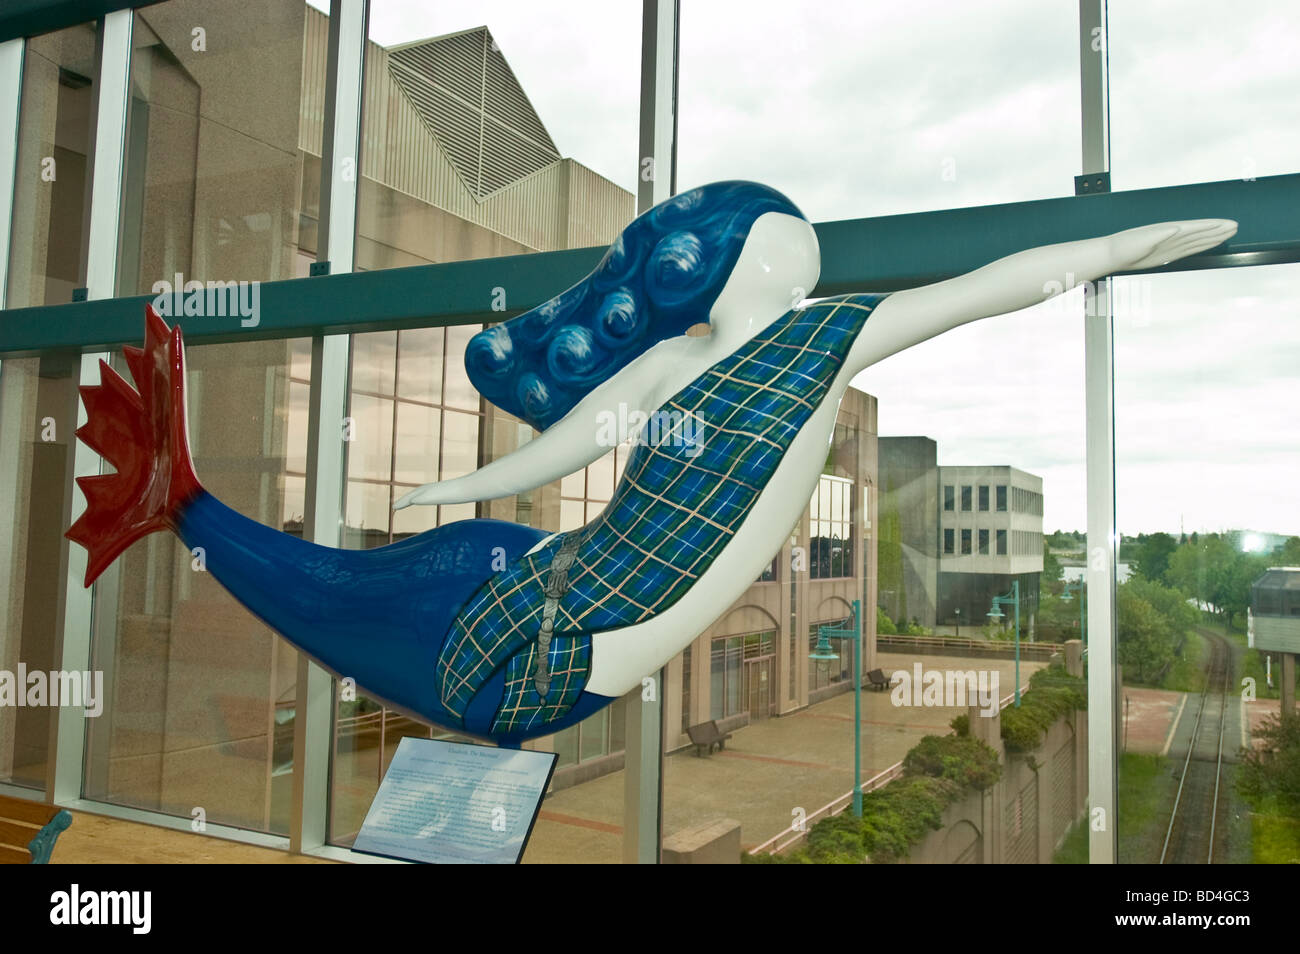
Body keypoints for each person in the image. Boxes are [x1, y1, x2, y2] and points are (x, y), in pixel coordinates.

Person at [67, 180, 1234, 744]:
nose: (795, 270)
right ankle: (181, 505)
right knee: (361, 601)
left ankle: (181, 505)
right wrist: (455, 491)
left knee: (373, 610)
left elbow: (985, 289)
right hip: (530, 587)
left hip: (549, 605)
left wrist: (1124, 246)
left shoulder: (827, 341)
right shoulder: (690, 364)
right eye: (776, 254)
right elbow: (568, 445)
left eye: (799, 253)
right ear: (716, 274)